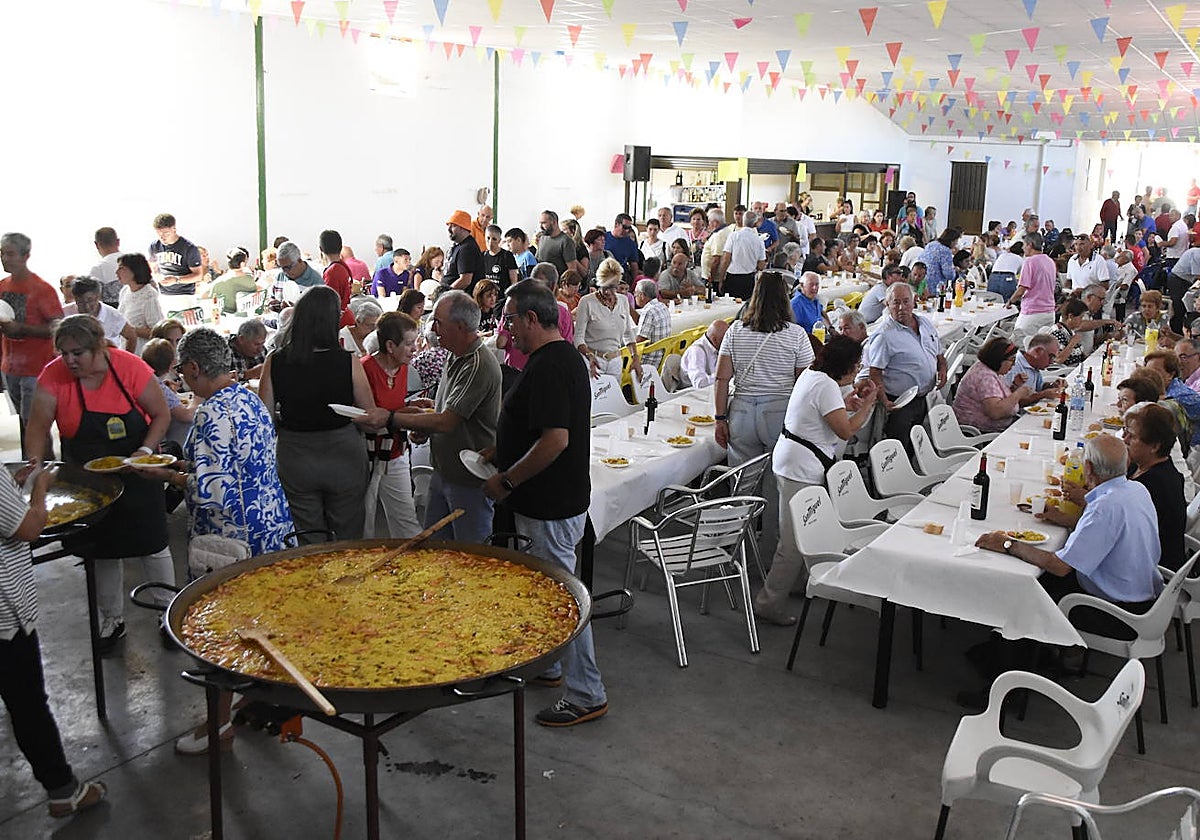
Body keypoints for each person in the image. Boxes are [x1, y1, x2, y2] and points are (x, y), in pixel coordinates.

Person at [139, 328, 294, 754]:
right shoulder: (248, 399)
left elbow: (212, 489)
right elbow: (237, 463)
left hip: (231, 539)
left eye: (182, 373)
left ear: (192, 368)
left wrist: (166, 475)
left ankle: (219, 722)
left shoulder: (209, 414)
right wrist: (181, 461)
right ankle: (257, 697)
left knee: (223, 630)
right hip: (270, 525)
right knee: (264, 620)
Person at [480, 280, 608, 727]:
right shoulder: (558, 357)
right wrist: (502, 449)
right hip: (551, 498)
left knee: (563, 598)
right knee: (549, 590)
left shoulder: (552, 365)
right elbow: (539, 427)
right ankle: (551, 666)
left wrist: (508, 479)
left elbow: (556, 439)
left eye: (510, 318)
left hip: (549, 501)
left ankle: (586, 693)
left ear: (532, 319)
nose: (506, 327)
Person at [24, 316, 174, 652]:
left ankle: (166, 613)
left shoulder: (130, 368)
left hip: (138, 472)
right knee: (103, 550)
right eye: (64, 353)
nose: (70, 361)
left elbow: (161, 414)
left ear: (99, 347)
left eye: (77, 353)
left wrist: (144, 451)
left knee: (152, 543)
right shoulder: (54, 376)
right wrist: (35, 470)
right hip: (88, 482)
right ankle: (111, 620)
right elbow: (37, 429)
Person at [975, 435, 1163, 642]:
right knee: (1039, 576)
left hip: (1117, 613)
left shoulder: (1105, 507)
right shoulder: (1137, 489)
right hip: (1146, 599)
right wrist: (1061, 518)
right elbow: (1105, 533)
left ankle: (1013, 653)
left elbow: (1060, 566)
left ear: (1088, 468)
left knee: (1026, 585)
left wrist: (1008, 544)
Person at [0, 462, 108, 815]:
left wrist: (11, 484)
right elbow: (30, 528)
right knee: (28, 701)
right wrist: (40, 487)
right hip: (5, 617)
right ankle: (63, 790)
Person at [754, 334, 879, 625]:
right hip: (800, 467)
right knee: (794, 540)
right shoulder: (824, 385)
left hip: (793, 460)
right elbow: (846, 431)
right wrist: (867, 405)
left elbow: (825, 410)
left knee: (799, 533)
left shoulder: (815, 375)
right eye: (857, 364)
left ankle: (793, 585)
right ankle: (768, 603)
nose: (859, 368)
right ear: (844, 366)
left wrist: (850, 400)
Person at [371, 291, 501, 542]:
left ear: (460, 327)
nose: (433, 328)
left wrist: (390, 417)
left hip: (468, 478)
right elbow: (446, 411)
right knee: (436, 550)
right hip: (445, 471)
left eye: (438, 322)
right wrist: (425, 420)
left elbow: (447, 421)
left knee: (471, 559)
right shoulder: (455, 354)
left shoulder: (477, 364)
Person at [259, 286, 373, 543]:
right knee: (347, 534)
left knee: (308, 536)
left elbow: (263, 418)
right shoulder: (348, 361)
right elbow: (367, 413)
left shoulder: (275, 360)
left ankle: (310, 581)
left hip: (295, 454)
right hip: (344, 452)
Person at [714, 271, 815, 468]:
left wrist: (719, 418)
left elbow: (721, 379)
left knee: (743, 481)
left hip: (741, 412)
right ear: (785, 298)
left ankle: (744, 501)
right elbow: (805, 383)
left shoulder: (734, 330)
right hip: (780, 410)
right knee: (775, 480)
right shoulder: (797, 335)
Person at [0, 233, 64, 456]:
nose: (4, 258)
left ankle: (46, 470)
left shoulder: (41, 288)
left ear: (26, 256)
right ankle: (30, 469)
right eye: (1, 253)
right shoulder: (3, 286)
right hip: (10, 366)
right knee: (23, 423)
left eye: (10, 253)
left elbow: (58, 327)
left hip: (36, 368)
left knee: (36, 425)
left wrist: (22, 329)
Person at [359, 312, 422, 539]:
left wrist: (412, 406)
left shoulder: (403, 368)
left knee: (406, 519)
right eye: (408, 344)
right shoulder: (364, 368)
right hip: (365, 456)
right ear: (390, 346)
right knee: (362, 522)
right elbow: (366, 416)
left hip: (395, 452)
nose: (415, 348)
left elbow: (391, 409)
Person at [866, 282, 946, 450]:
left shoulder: (925, 323)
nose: (901, 307)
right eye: (896, 302)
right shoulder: (884, 335)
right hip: (901, 402)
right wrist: (884, 401)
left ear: (914, 301)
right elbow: (875, 372)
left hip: (926, 396)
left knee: (917, 444)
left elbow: (938, 353)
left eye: (906, 301)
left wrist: (943, 369)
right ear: (887, 304)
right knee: (897, 448)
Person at [574, 258, 642, 380]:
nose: (607, 291)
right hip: (593, 360)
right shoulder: (586, 302)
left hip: (615, 361)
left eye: (612, 287)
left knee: (615, 398)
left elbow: (628, 333)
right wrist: (589, 356)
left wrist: (635, 357)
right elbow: (578, 338)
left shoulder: (623, 301)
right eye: (603, 286)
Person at [951, 338, 1031, 433]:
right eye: (1012, 360)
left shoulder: (988, 370)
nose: (1013, 365)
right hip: (980, 432)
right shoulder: (985, 376)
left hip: (996, 428)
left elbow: (999, 399)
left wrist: (1014, 386)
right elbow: (995, 412)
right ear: (998, 359)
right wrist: (1019, 393)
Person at [141, 338, 194, 446]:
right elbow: (186, 416)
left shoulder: (150, 381)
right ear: (171, 365)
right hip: (165, 441)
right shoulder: (158, 387)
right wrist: (197, 398)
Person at [63, 276, 136, 352]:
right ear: (75, 298)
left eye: (90, 300)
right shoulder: (64, 313)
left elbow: (131, 336)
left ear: (98, 297)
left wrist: (125, 360)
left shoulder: (112, 315)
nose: (87, 307)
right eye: (81, 302)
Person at [1144, 350, 1200, 448]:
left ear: (1170, 375)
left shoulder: (1179, 397)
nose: (1149, 376)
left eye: (1155, 371)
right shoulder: (1167, 387)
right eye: (1147, 371)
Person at [148, 213, 203, 296]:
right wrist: (157, 277)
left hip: (184, 294)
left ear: (174, 229)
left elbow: (198, 275)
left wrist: (176, 280)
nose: (162, 237)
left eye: (166, 233)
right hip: (163, 293)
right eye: (159, 234)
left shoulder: (189, 248)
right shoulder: (154, 246)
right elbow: (152, 268)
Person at [718, 210, 767, 299]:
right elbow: (761, 265)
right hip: (748, 280)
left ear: (743, 221)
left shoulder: (733, 236)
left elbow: (725, 259)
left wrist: (721, 279)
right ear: (755, 223)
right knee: (746, 308)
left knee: (729, 308)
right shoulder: (759, 240)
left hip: (732, 279)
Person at [1004, 333, 1064, 405]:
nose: (1051, 362)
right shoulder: (1013, 366)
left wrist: (1052, 385)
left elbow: (1039, 387)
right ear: (1038, 351)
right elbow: (1010, 401)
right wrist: (1042, 395)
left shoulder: (1034, 365)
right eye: (1051, 356)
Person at [634, 279, 671, 369]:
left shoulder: (648, 311)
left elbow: (640, 341)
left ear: (642, 295)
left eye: (636, 293)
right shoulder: (662, 306)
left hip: (649, 360)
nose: (634, 296)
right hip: (662, 357)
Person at [680, 319, 727, 389]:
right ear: (714, 340)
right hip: (691, 393)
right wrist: (723, 376)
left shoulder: (718, 347)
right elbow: (699, 383)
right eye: (726, 339)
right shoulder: (697, 351)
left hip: (710, 390)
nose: (729, 342)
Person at [211, 247, 258, 313]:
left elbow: (206, 297)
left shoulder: (218, 282)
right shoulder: (250, 280)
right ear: (242, 264)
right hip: (247, 315)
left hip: (226, 317)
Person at [539, 210, 584, 277]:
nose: (541, 226)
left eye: (544, 223)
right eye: (540, 223)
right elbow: (539, 261)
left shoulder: (566, 241)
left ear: (554, 222)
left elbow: (572, 270)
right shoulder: (542, 239)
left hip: (558, 284)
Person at [1047, 298, 1089, 366]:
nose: (1082, 320)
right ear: (1071, 316)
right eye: (1081, 317)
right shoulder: (1057, 332)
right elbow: (1058, 359)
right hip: (1064, 372)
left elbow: (1080, 354)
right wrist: (1072, 343)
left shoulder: (1070, 330)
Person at [87, 226, 122, 306]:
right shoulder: (137, 262)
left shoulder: (97, 269)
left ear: (96, 244)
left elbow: (94, 303)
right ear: (118, 241)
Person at [480, 224, 519, 294]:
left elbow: (514, 281)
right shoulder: (482, 256)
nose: (490, 242)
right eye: (488, 238)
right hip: (486, 298)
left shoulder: (507, 256)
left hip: (502, 298)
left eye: (494, 239)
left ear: (499, 240)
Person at [922, 227, 959, 297]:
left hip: (923, 281)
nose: (956, 244)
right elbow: (948, 274)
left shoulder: (931, 244)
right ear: (952, 241)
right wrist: (955, 270)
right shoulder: (946, 251)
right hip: (935, 286)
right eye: (956, 241)